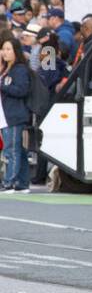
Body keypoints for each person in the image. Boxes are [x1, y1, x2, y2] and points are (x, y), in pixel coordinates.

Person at [0, 33, 32, 192]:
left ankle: (9, 182)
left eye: (8, 49)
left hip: (14, 115)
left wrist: (2, 86)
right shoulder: (7, 69)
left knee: (12, 150)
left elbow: (22, 90)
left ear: (15, 51)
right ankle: (22, 183)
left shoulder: (19, 70)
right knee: (19, 150)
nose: (4, 52)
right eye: (3, 49)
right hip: (7, 116)